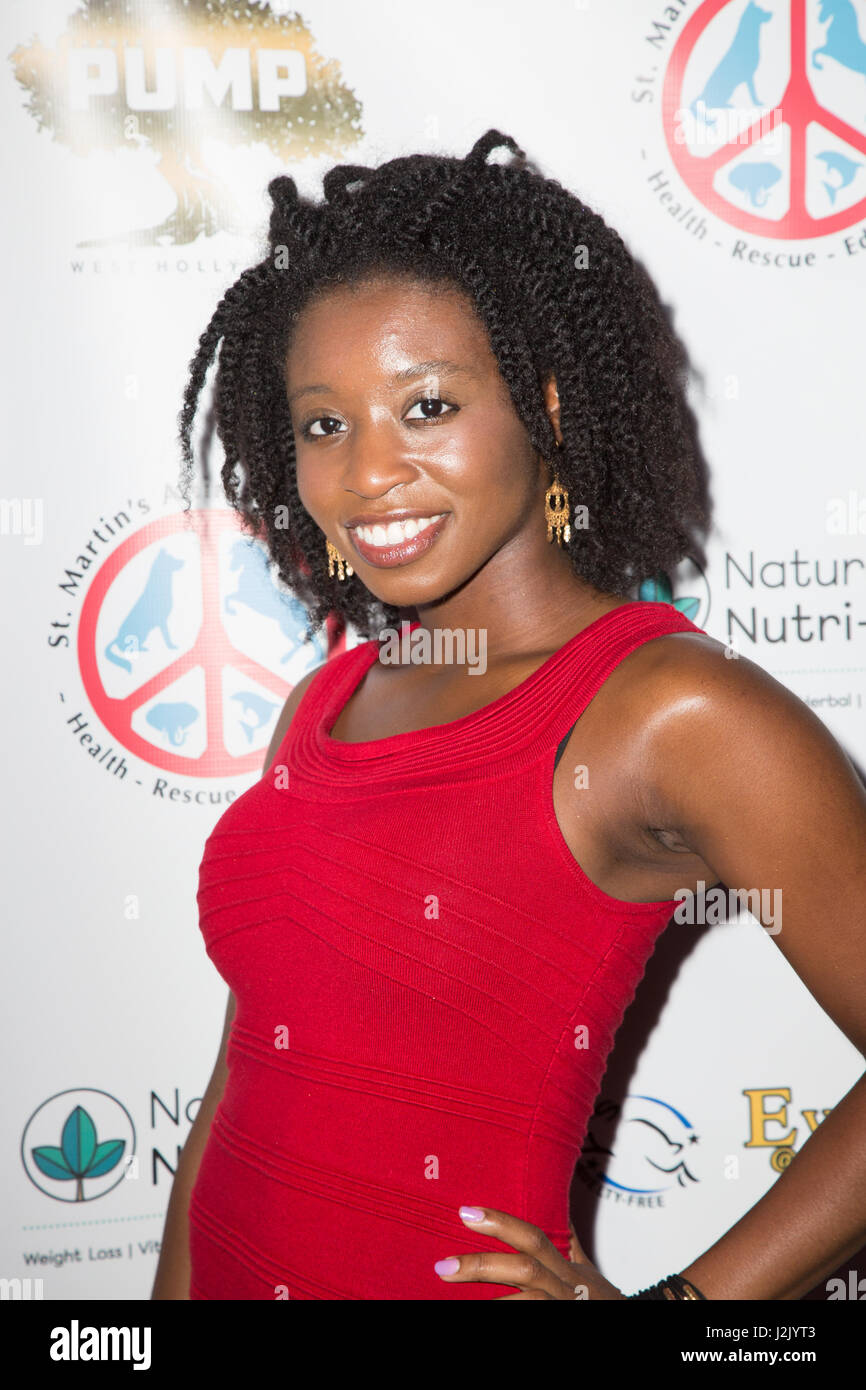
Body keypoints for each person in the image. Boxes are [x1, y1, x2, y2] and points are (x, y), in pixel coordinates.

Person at [152, 130, 866, 1301]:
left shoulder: (664, 710)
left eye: (423, 405)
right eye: (324, 423)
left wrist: (687, 1316)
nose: (367, 473)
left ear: (541, 402)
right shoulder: (317, 709)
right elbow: (237, 1093)